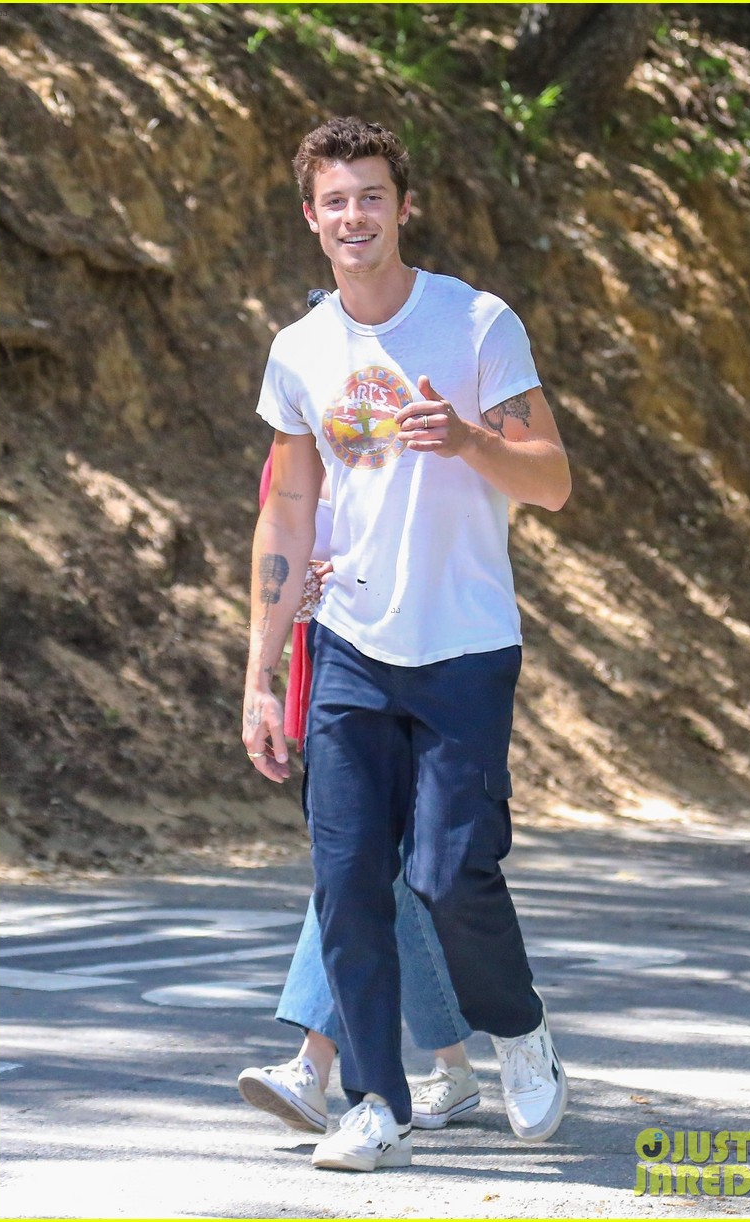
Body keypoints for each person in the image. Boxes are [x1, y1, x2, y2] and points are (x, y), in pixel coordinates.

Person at [242, 115, 572, 1173]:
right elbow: (287, 506)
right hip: (347, 645)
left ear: (402, 206)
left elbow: (553, 480)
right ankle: (373, 1101)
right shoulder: (299, 351)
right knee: (345, 879)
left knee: (449, 868)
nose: (354, 217)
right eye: (334, 201)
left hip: (465, 645)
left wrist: (470, 438)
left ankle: (515, 1029)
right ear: (311, 217)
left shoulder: (476, 324)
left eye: (370, 196)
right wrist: (259, 674)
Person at [239, 438, 480, 1135]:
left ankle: (312, 1069)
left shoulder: (419, 438)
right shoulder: (289, 454)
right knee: (375, 875)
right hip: (332, 690)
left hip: (422, 681)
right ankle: (454, 1069)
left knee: (362, 870)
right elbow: (282, 578)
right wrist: (271, 693)